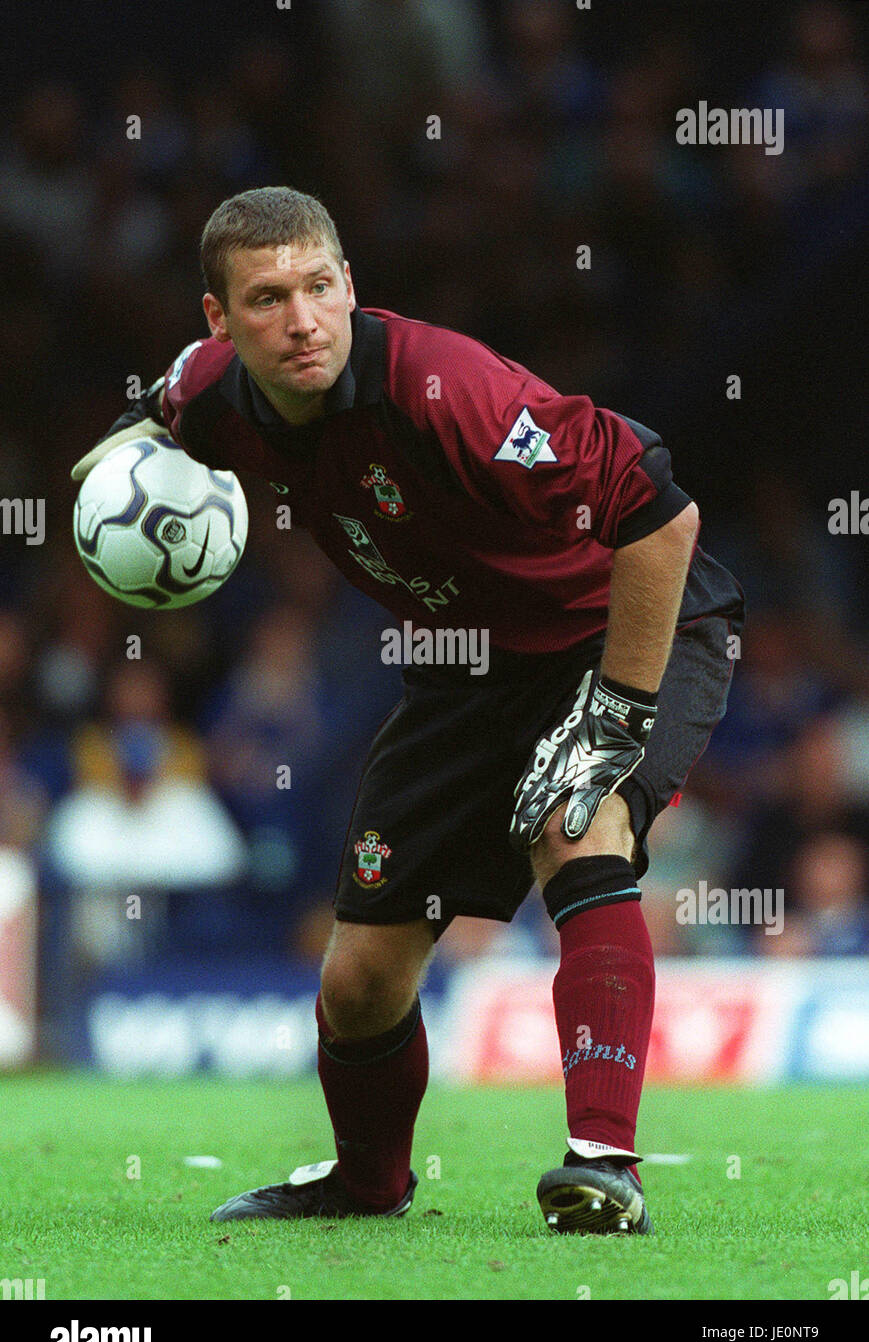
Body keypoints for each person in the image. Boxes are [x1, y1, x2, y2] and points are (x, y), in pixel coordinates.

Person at [73, 186, 744, 1235]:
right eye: (266, 299)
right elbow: (133, 434)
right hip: (468, 671)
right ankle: (365, 1182)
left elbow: (660, 515)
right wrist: (110, 488)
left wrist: (614, 710)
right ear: (218, 320)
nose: (299, 320)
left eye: (317, 288)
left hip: (618, 628)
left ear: (348, 286)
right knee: (360, 978)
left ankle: (602, 1165)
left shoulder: (449, 391)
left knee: (577, 826)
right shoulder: (204, 393)